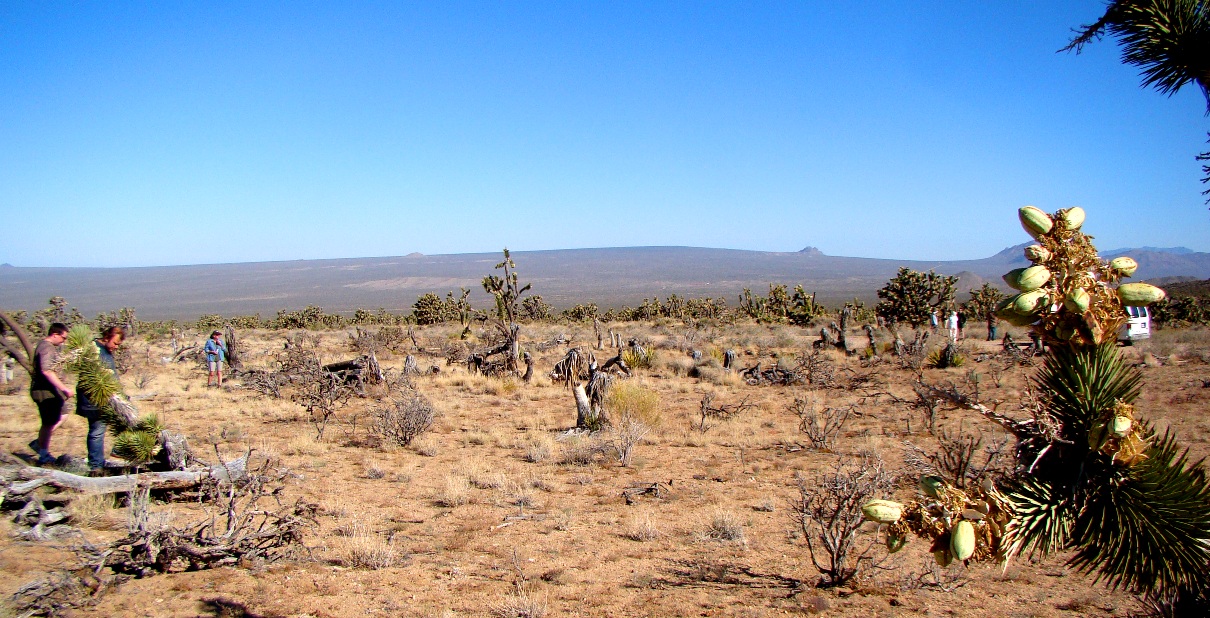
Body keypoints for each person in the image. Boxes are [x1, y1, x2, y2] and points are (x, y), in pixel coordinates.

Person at [76, 325, 124, 473]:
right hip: (95, 399)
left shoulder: (102, 350)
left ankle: (101, 460)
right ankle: (96, 466)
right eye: (115, 343)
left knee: (117, 422)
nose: (116, 347)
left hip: (107, 397)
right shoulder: (93, 350)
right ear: (107, 337)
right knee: (97, 430)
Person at [29, 323, 74, 465]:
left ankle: (39, 443)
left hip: (49, 390)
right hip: (44, 391)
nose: (64, 341)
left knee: (63, 414)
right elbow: (46, 370)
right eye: (63, 338)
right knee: (48, 423)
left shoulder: (45, 346)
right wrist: (64, 388)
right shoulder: (47, 348)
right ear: (55, 334)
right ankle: (43, 454)